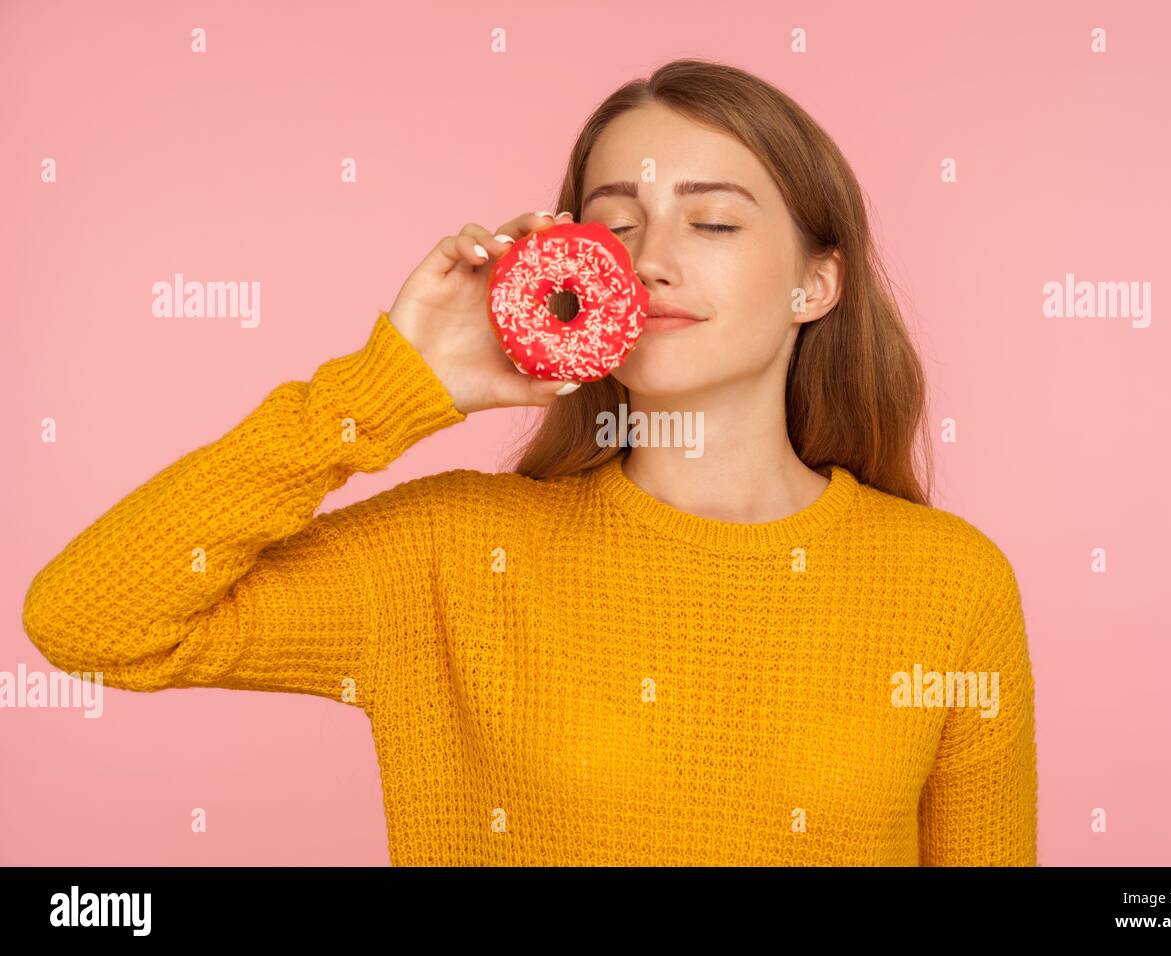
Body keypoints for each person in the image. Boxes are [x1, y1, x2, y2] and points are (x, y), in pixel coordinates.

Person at [22, 58, 1037, 866]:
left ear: (815, 285)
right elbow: (91, 620)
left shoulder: (949, 581)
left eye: (714, 219)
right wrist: (388, 386)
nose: (649, 258)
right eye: (614, 226)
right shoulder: (458, 552)